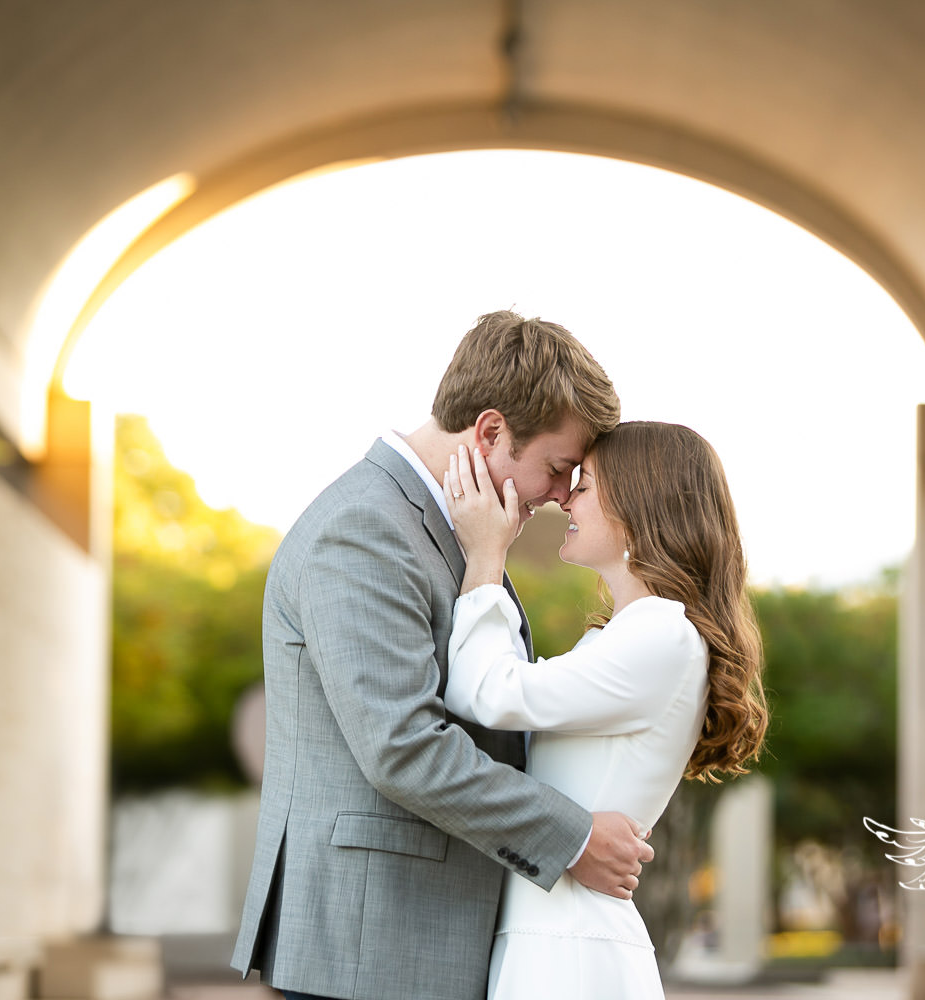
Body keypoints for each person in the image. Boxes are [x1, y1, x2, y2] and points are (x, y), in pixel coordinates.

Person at [231, 311, 656, 1000]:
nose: (558, 495)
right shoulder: (367, 529)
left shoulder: (458, 531)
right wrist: (572, 837)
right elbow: (401, 746)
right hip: (369, 949)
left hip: (404, 941)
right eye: (555, 467)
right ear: (490, 432)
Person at [440, 420, 770, 999]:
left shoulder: (661, 637)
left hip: (569, 954)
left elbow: (489, 692)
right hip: (555, 940)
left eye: (584, 485)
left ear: (639, 510)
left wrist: (486, 552)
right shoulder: (634, 634)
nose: (564, 497)